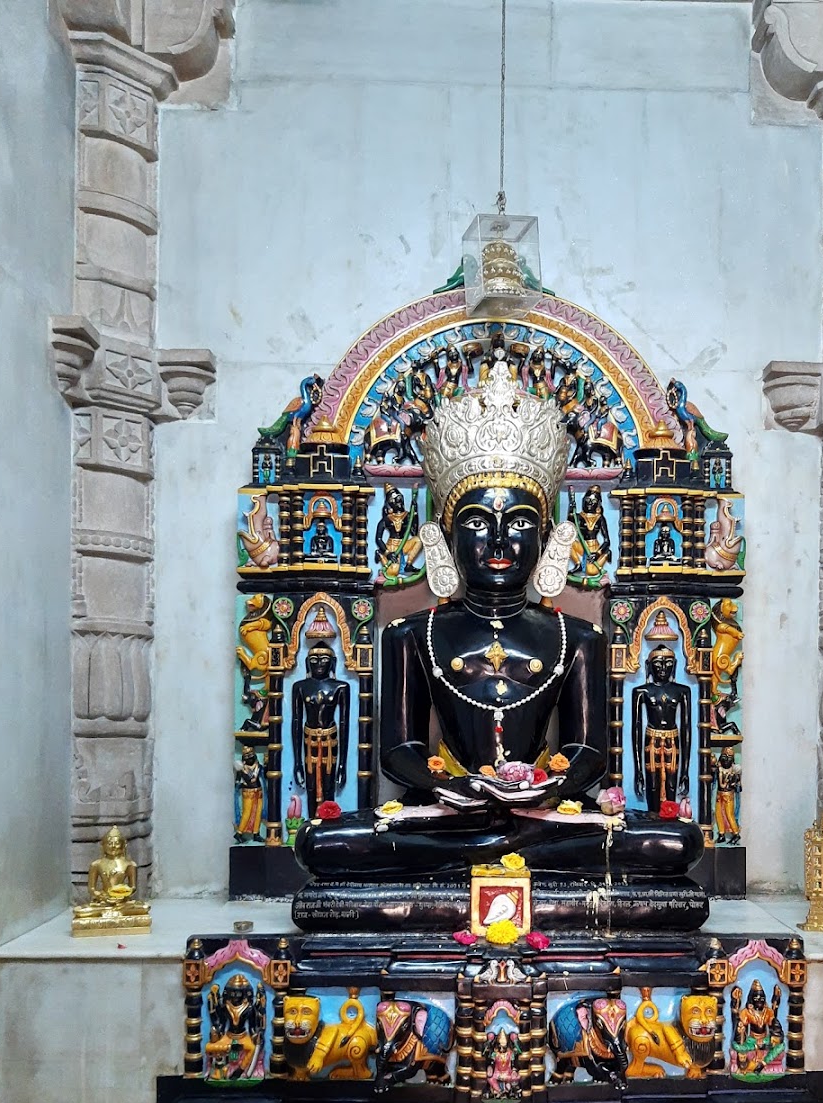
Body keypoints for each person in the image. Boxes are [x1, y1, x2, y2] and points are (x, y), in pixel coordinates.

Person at [294, 363, 703, 883]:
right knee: (323, 842)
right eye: (477, 523)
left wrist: (546, 789)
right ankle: (501, 844)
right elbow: (400, 750)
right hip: (448, 813)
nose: (498, 543)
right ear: (444, 538)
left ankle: (496, 844)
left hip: (547, 811)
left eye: (520, 523)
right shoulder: (409, 635)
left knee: (676, 842)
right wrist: (451, 788)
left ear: (548, 537)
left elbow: (588, 753)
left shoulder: (578, 638)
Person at [631, 647, 693, 812]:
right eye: (658, 663)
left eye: (669, 663)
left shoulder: (682, 691)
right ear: (649, 665)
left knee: (672, 783)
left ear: (675, 665)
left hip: (673, 740)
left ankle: (669, 818)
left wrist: (685, 771)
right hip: (651, 740)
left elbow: (687, 729)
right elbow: (635, 729)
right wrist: (638, 771)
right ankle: (653, 818)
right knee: (651, 783)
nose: (663, 668)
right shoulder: (641, 691)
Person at [291, 644, 350, 812]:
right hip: (309, 742)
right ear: (307, 663)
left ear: (332, 663)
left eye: (324, 660)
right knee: (310, 784)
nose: (319, 664)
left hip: (330, 741)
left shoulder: (341, 687)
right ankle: (311, 824)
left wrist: (342, 766)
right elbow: (296, 721)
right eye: (314, 660)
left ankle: (327, 824)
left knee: (329, 783)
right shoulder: (300, 687)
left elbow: (344, 724)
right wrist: (297, 763)